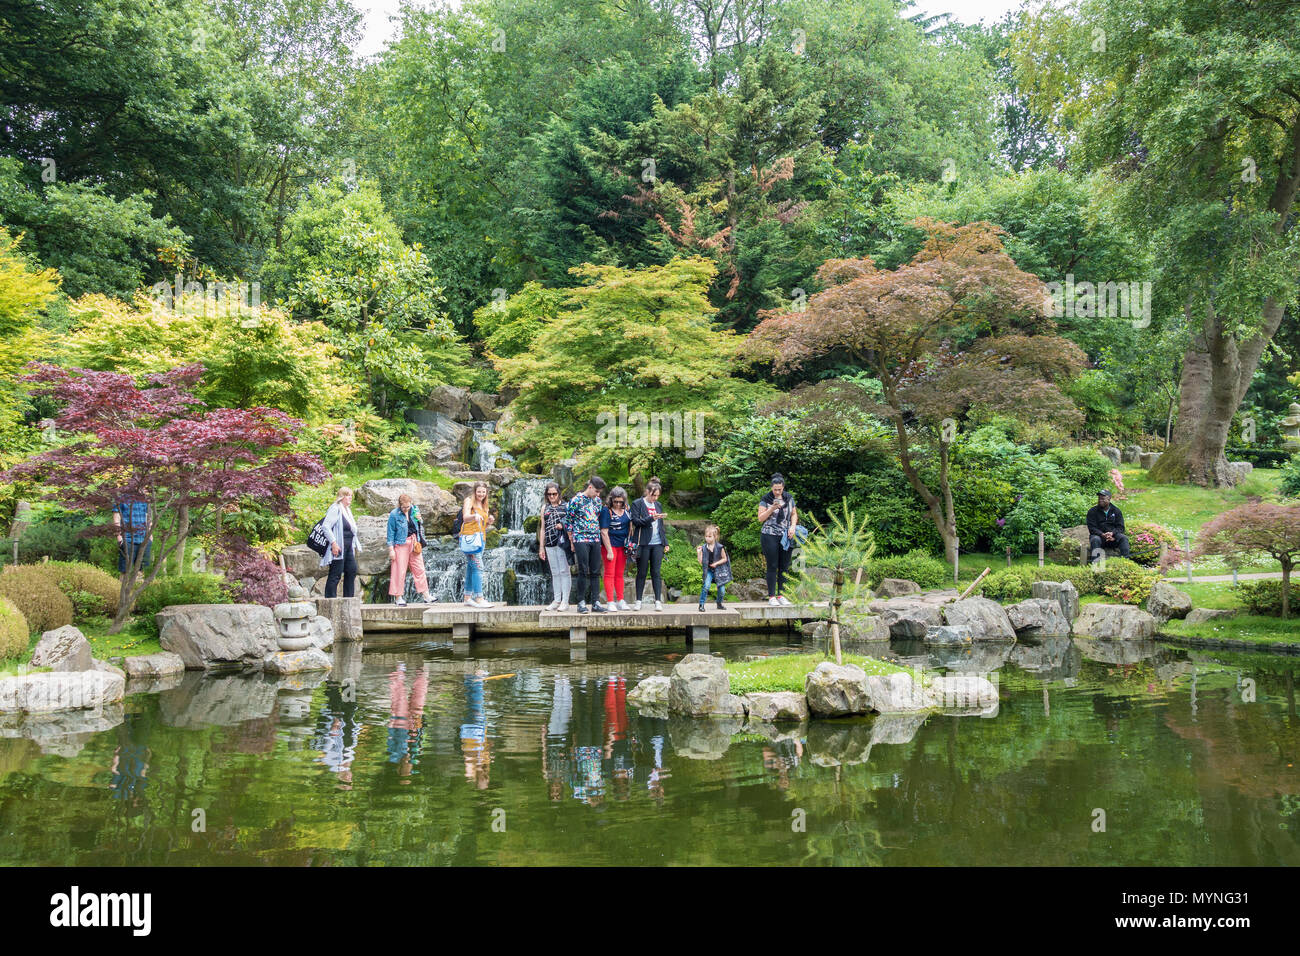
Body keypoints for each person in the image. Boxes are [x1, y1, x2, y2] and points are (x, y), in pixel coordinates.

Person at [565, 476, 608, 614]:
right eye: (596, 491)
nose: (598, 494)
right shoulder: (575, 501)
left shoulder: (597, 501)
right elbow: (569, 522)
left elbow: (598, 518)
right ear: (590, 487)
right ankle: (581, 602)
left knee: (595, 571)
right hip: (580, 538)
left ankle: (595, 602)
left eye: (599, 492)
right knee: (583, 570)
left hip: (595, 538)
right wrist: (571, 541)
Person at [629, 478, 671, 611]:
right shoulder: (638, 504)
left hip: (657, 543)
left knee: (656, 572)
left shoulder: (658, 505)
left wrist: (665, 542)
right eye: (653, 495)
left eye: (657, 495)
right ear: (647, 491)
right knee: (641, 572)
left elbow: (661, 526)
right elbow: (635, 522)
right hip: (643, 543)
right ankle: (638, 600)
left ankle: (658, 600)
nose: (655, 498)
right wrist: (651, 518)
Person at [757, 473, 797, 606]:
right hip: (769, 535)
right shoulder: (766, 499)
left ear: (783, 487)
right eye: (775, 489)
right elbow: (760, 518)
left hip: (785, 535)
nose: (777, 492)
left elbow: (794, 514)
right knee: (772, 565)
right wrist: (772, 508)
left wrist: (793, 526)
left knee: (784, 566)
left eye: (780, 489)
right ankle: (772, 596)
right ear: (772, 488)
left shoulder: (789, 498)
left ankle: (782, 595)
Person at [386, 493, 431, 607]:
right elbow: (390, 533)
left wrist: (420, 519)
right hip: (401, 544)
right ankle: (398, 597)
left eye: (408, 506)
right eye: (404, 507)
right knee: (399, 571)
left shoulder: (415, 510)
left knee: (419, 568)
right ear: (400, 505)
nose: (406, 509)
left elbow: (419, 525)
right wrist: (391, 550)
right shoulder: (394, 514)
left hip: (415, 542)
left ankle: (426, 596)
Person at [321, 487, 362, 598]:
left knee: (351, 570)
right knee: (336, 573)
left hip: (348, 547)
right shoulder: (335, 508)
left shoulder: (347, 510)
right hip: (338, 547)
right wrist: (334, 543)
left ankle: (348, 600)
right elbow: (326, 527)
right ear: (342, 496)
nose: (350, 498)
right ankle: (330, 601)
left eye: (351, 496)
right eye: (348, 495)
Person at [460, 482, 495, 608]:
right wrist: (474, 515)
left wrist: (489, 522)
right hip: (470, 538)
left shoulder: (485, 504)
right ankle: (479, 598)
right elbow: (465, 517)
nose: (481, 494)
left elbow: (482, 525)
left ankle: (467, 597)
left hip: (480, 539)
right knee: (478, 567)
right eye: (479, 491)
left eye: (483, 492)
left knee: (471, 568)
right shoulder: (469, 501)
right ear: (475, 491)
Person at [537, 482, 572, 611]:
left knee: (564, 571)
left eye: (554, 494)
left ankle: (565, 601)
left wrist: (563, 526)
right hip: (549, 544)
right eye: (549, 494)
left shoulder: (566, 506)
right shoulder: (544, 507)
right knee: (555, 572)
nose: (552, 496)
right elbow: (542, 528)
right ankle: (557, 600)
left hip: (562, 543)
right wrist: (541, 547)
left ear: (559, 494)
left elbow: (571, 524)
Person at [600, 486, 632, 610]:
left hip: (622, 546)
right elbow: (604, 531)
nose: (618, 504)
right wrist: (608, 550)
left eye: (621, 502)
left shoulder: (627, 509)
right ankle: (610, 601)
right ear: (611, 500)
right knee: (609, 573)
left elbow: (630, 526)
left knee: (619, 574)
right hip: (610, 545)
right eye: (615, 501)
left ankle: (620, 599)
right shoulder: (606, 511)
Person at [1087, 489, 1130, 561]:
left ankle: (1125, 562)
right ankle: (1096, 565)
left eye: (1103, 499)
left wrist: (1112, 533)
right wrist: (1102, 534)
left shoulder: (1116, 511)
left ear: (1109, 499)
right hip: (1099, 537)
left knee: (1123, 538)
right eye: (1099, 498)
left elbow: (1121, 527)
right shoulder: (1092, 511)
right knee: (1095, 539)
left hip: (1113, 537)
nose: (1100, 500)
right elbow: (1092, 528)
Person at [112, 497, 151, 574]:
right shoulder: (120, 498)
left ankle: (138, 585)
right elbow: (116, 519)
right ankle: (124, 586)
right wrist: (119, 538)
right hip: (127, 539)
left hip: (144, 540)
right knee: (125, 571)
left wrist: (150, 537)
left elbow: (148, 518)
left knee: (141, 571)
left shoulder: (144, 499)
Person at [697, 523, 729, 612]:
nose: (707, 538)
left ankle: (719, 603)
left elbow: (725, 559)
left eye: (710, 536)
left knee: (722, 590)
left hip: (719, 570)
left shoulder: (720, 547)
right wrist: (699, 553)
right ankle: (701, 604)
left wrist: (716, 563)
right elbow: (701, 562)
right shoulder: (703, 548)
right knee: (706, 586)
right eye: (706, 536)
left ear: (715, 537)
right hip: (709, 570)